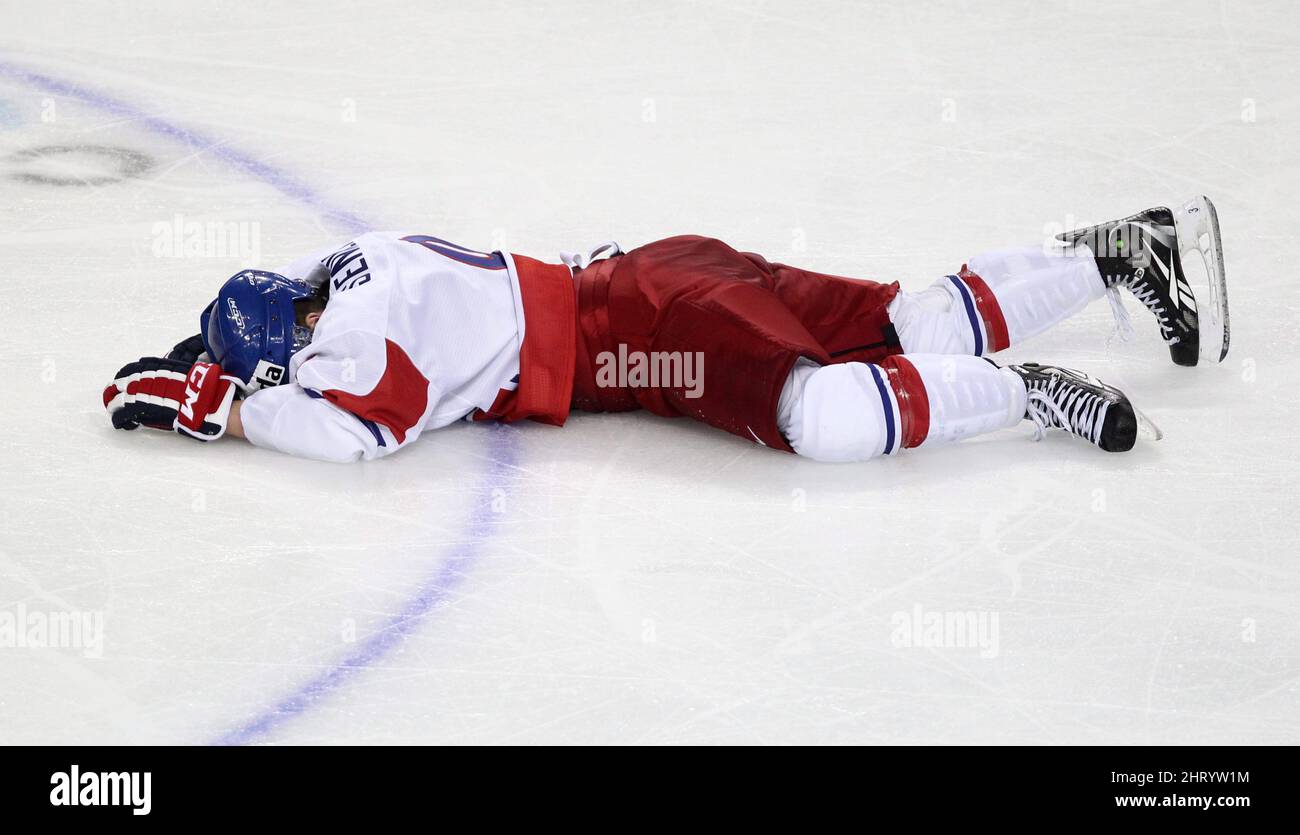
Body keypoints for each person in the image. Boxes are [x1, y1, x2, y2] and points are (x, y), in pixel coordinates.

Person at [103, 196, 1228, 464]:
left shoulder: (354, 351)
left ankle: (1025, 390)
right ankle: (1109, 253)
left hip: (634, 333)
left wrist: (233, 411)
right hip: (659, 271)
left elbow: (363, 432)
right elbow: (317, 330)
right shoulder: (351, 274)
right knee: (901, 319)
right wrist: (235, 355)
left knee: (817, 414)